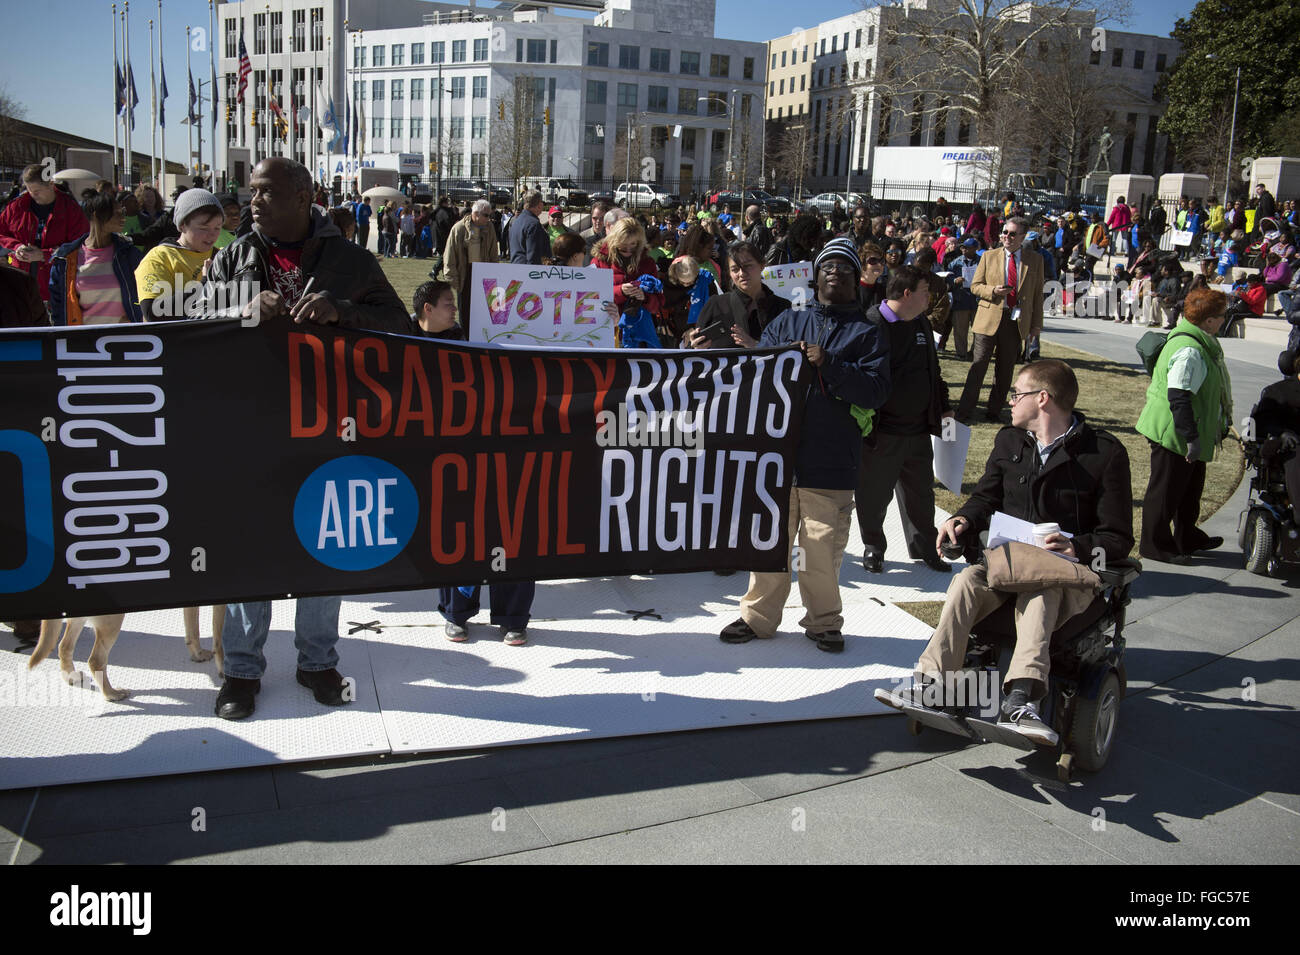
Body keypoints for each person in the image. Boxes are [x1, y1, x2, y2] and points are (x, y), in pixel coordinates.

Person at [199, 157, 409, 720]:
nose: (253, 199)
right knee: (252, 545)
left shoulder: (351, 259)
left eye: (267, 191)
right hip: (253, 425)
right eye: (251, 191)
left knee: (326, 539)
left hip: (327, 421)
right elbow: (189, 314)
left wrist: (342, 311)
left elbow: (401, 327)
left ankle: (318, 662)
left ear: (303, 195)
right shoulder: (233, 256)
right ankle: (241, 670)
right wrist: (238, 308)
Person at [882, 359, 1133, 744]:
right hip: (1007, 566)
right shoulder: (1009, 442)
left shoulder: (1103, 454)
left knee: (1042, 592)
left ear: (1043, 398)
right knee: (967, 580)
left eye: (1018, 394)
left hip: (1066, 574)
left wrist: (1077, 545)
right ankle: (932, 684)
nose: (1011, 401)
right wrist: (963, 520)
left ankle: (1021, 700)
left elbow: (1117, 538)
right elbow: (985, 499)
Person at [718, 237, 891, 654]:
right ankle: (757, 618)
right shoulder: (787, 322)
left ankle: (823, 622)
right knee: (770, 546)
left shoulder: (869, 333)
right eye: (827, 265)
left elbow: (875, 392)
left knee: (819, 551)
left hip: (830, 460)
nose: (835, 272)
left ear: (857, 280)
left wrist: (828, 364)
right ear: (815, 277)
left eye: (844, 267)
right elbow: (756, 375)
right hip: (778, 457)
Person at [855, 265, 953, 576]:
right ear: (908, 293)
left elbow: (932, 371)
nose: (930, 298)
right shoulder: (873, 322)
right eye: (926, 291)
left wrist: (944, 405)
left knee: (921, 492)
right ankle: (873, 546)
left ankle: (925, 547)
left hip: (918, 429)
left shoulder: (920, 322)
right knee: (874, 493)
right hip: (883, 431)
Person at [1135, 288, 1233, 564]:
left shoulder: (1197, 340)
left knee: (1189, 490)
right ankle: (1154, 545)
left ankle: (1187, 536)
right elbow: (1178, 397)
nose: (1224, 320)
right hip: (1174, 432)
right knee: (1165, 492)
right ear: (1210, 321)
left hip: (1187, 429)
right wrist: (1191, 438)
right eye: (1222, 316)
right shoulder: (1190, 350)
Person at [956, 216, 1044, 424]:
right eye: (1005, 232)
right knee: (978, 367)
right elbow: (975, 286)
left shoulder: (1035, 260)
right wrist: (993, 291)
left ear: (1022, 237)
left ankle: (994, 411)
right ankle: (964, 410)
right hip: (988, 319)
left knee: (1005, 371)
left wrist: (1037, 324)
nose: (1007, 237)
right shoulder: (989, 256)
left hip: (1015, 321)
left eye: (1012, 234)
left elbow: (1038, 295)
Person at [0, 163, 90, 305]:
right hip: (19, 284)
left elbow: (81, 245)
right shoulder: (17, 206)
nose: (32, 194)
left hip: (57, 286)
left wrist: (44, 255)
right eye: (29, 189)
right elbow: (2, 233)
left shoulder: (70, 209)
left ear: (51, 184)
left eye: (37, 190)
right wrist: (16, 246)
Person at [49, 192, 144, 325]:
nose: (123, 217)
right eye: (117, 213)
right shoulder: (65, 258)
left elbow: (145, 292)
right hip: (84, 341)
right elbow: (58, 307)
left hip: (125, 338)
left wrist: (138, 319)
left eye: (122, 212)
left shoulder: (128, 253)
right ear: (96, 215)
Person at [132, 189, 223, 321]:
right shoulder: (159, 258)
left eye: (217, 228)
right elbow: (153, 313)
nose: (212, 235)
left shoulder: (221, 255)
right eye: (204, 228)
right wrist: (204, 285)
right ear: (182, 225)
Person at [685, 240, 790, 349]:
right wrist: (694, 347)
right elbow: (691, 353)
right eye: (735, 269)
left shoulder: (783, 308)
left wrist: (756, 345)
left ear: (762, 265)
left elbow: (794, 350)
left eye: (748, 266)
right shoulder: (716, 305)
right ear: (729, 273)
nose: (742, 274)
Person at [440, 198, 500, 326]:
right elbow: (449, 256)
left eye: (490, 215)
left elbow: (494, 253)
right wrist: (453, 280)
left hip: (484, 275)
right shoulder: (458, 229)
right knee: (465, 312)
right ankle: (466, 338)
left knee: (484, 311)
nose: (489, 218)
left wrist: (495, 273)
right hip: (465, 275)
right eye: (486, 215)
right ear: (476, 213)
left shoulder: (489, 228)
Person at [943, 238, 981, 360]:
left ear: (975, 249)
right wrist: (954, 280)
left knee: (979, 330)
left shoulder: (982, 262)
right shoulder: (956, 263)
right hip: (961, 299)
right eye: (963, 247)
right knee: (960, 329)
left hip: (977, 300)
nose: (964, 250)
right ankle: (961, 353)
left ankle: (975, 352)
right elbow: (948, 277)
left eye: (967, 247)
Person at [510, 191, 547, 265]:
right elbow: (533, 256)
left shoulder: (516, 221)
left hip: (516, 267)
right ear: (539, 205)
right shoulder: (533, 224)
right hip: (528, 271)